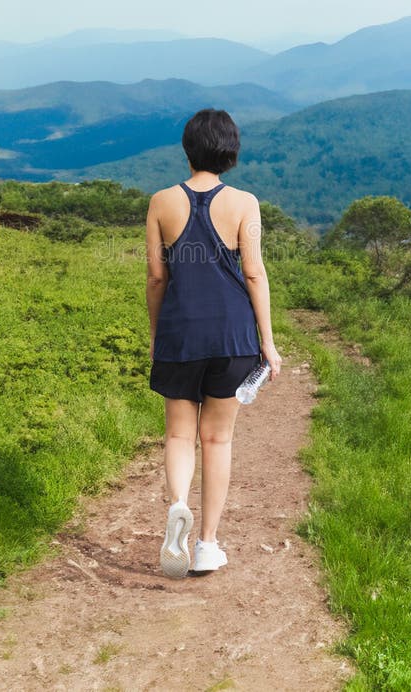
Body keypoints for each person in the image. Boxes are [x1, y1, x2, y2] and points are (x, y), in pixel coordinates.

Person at [145, 108, 282, 578]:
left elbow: (156, 277)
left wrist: (156, 335)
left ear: (188, 149)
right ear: (230, 150)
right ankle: (206, 545)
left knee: (180, 434)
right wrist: (268, 342)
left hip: (180, 333)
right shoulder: (245, 203)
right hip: (233, 336)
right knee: (217, 438)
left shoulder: (161, 202)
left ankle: (178, 505)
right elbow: (254, 272)